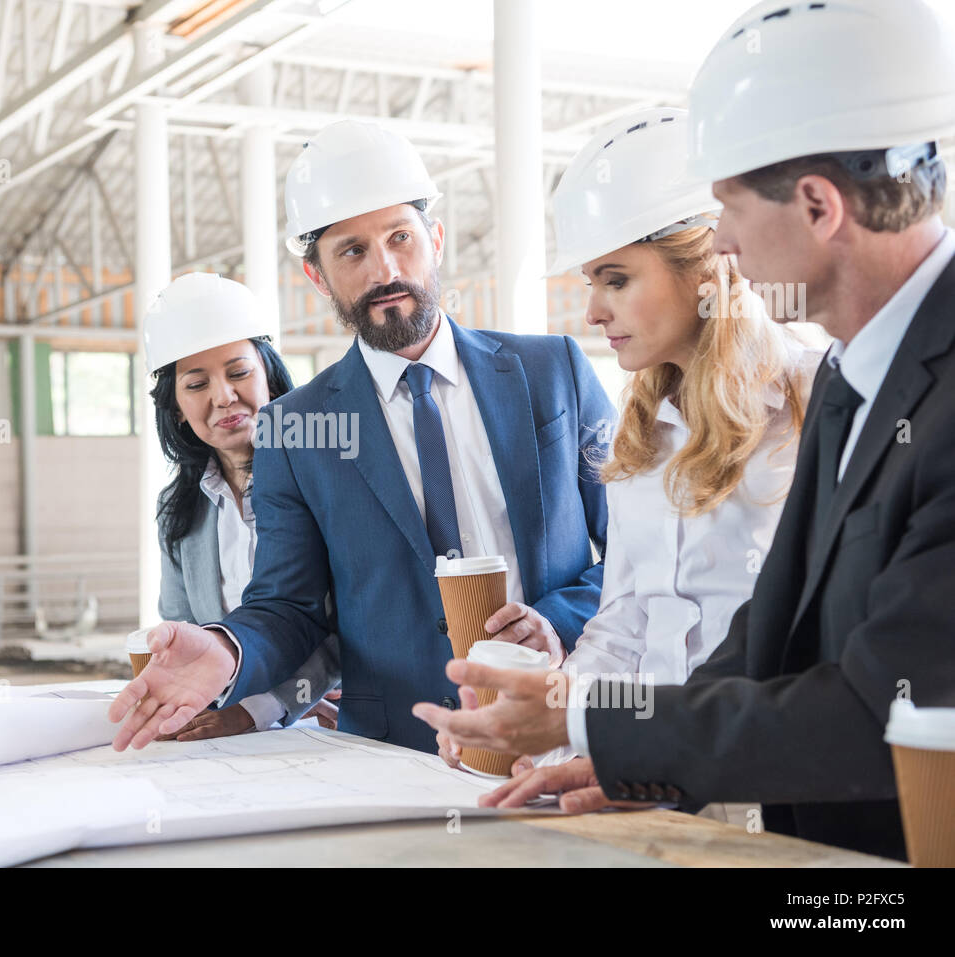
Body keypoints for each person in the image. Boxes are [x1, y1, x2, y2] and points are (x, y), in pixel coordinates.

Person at [412, 0, 955, 860]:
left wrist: (581, 715)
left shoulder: (886, 392)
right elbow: (763, 638)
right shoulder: (861, 377)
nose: (725, 245)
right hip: (806, 847)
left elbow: (877, 705)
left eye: (730, 212)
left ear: (818, 206)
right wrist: (628, 759)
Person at [109, 119, 617, 755]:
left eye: (401, 238)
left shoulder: (553, 372)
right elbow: (288, 607)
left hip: (562, 726)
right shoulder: (294, 428)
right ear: (317, 277)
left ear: (434, 239)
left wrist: (557, 622)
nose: (385, 269)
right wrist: (225, 647)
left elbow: (635, 551)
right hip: (398, 751)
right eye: (352, 251)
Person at [433, 109, 821, 825]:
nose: (591, 311)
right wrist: (552, 728)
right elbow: (625, 623)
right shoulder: (640, 432)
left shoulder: (812, 400)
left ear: (705, 268)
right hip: (644, 782)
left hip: (767, 785)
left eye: (615, 279)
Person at [144, 272, 341, 738]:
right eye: (196, 385)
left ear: (270, 379)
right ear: (176, 409)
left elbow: (350, 626)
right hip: (226, 726)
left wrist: (266, 709)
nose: (223, 396)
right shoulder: (178, 508)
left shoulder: (328, 477)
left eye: (238, 373)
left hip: (327, 722)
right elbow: (183, 626)